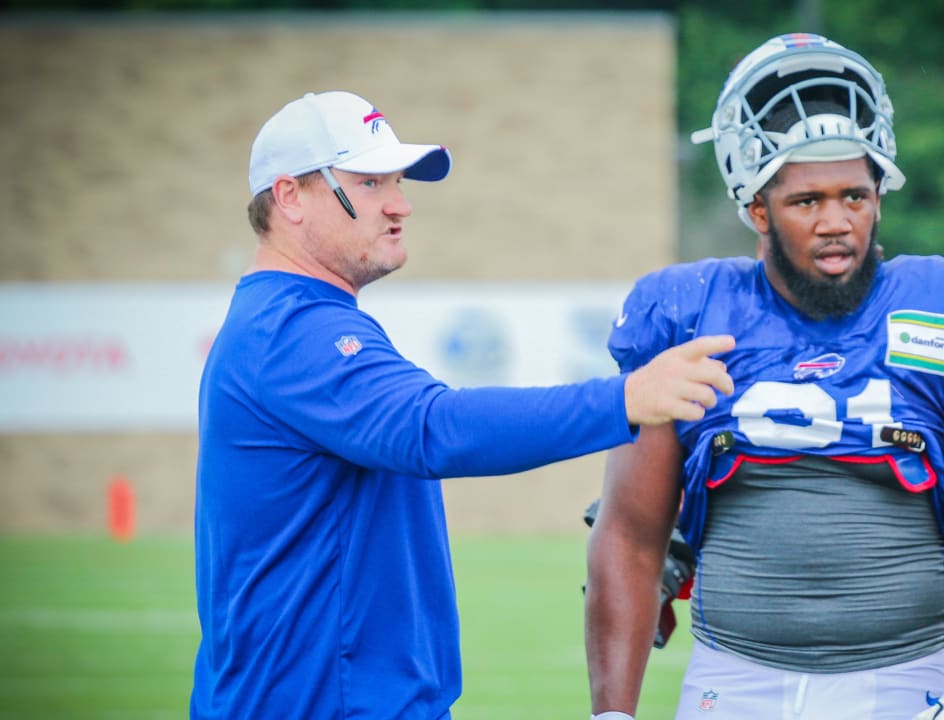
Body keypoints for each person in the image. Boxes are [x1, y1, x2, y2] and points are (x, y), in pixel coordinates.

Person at [190, 90, 735, 720]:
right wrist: (626, 398)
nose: (400, 204)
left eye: (396, 181)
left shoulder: (292, 322)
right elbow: (432, 428)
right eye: (369, 183)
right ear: (289, 198)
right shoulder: (293, 331)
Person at [584, 33, 944, 720]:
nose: (836, 223)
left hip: (903, 678)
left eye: (854, 195)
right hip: (732, 680)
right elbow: (627, 530)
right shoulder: (686, 313)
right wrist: (613, 713)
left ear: (880, 195)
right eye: (806, 202)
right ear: (757, 208)